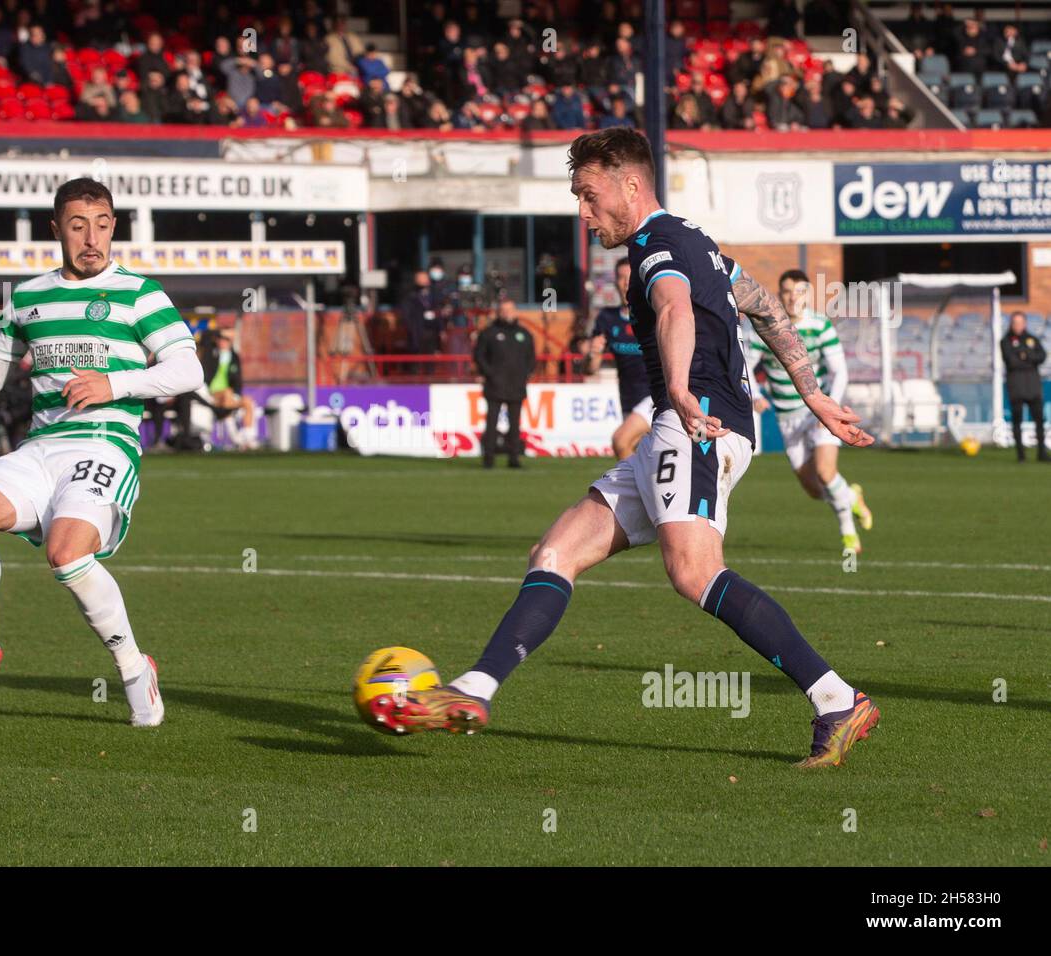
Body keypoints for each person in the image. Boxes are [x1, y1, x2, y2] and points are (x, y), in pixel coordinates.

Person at [375, 128, 879, 769]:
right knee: (555, 551)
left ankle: (836, 697)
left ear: (630, 184)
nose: (583, 214)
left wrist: (676, 388)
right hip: (687, 424)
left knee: (694, 572)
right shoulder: (698, 242)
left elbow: (674, 310)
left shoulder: (654, 248)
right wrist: (810, 392)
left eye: (589, 196)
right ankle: (473, 690)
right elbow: (764, 308)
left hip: (695, 424)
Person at [0, 178, 205, 727]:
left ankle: (132, 667)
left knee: (66, 554)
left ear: (113, 227)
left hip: (106, 444)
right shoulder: (28, 296)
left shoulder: (140, 293)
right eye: (78, 226)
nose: (91, 238)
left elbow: (187, 368)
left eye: (102, 224)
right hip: (41, 446)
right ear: (56, 229)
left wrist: (114, 383)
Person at [750, 270, 873, 553]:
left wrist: (830, 407)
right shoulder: (766, 326)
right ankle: (851, 496)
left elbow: (839, 370)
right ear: (779, 295)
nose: (793, 298)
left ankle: (848, 534)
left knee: (826, 472)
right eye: (787, 292)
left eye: (799, 291)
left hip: (818, 412)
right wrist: (755, 395)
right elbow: (745, 366)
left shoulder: (819, 325)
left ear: (807, 294)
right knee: (815, 489)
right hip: (786, 416)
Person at [587, 258, 651, 459]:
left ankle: (633, 489)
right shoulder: (607, 318)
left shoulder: (652, 313)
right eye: (620, 278)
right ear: (614, 282)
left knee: (620, 441)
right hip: (628, 398)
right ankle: (644, 490)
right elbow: (591, 370)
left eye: (629, 278)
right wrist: (594, 353)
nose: (625, 283)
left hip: (656, 396)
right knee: (641, 456)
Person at [473, 299, 536, 469]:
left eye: (510, 310)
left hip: (516, 385)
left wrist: (525, 374)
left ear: (515, 312)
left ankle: (514, 458)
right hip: (495, 386)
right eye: (503, 310)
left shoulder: (524, 334)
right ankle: (488, 459)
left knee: (515, 425)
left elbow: (531, 358)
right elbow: (479, 356)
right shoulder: (489, 333)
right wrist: (490, 374)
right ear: (498, 312)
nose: (507, 313)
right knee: (491, 423)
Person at [1001, 311, 1048, 462]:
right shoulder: (1006, 341)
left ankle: (1042, 453)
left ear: (1025, 323)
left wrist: (1025, 354)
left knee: (1039, 420)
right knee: (1017, 420)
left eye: (1020, 322)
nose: (1018, 326)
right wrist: (1029, 358)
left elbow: (1042, 356)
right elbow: (1011, 361)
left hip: (1033, 386)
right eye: (1015, 323)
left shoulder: (1031, 339)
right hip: (1016, 386)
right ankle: (1020, 454)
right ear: (1011, 324)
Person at [200, 328, 258, 449]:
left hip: (228, 396)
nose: (223, 342)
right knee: (227, 394)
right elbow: (204, 336)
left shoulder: (234, 357)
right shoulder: (211, 353)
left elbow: (237, 380)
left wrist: (236, 394)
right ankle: (236, 438)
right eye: (221, 338)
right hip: (211, 394)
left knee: (247, 401)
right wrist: (220, 333)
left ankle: (248, 438)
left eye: (226, 339)